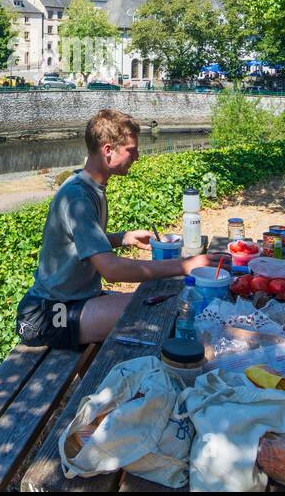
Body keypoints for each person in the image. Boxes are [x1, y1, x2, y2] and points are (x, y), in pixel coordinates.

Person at [16, 108, 209, 350]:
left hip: (75, 301)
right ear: (108, 150)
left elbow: (76, 242)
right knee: (156, 307)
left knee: (159, 299)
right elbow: (113, 271)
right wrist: (185, 265)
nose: (137, 156)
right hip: (49, 315)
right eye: (131, 150)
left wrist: (122, 238)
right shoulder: (78, 197)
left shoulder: (87, 187)